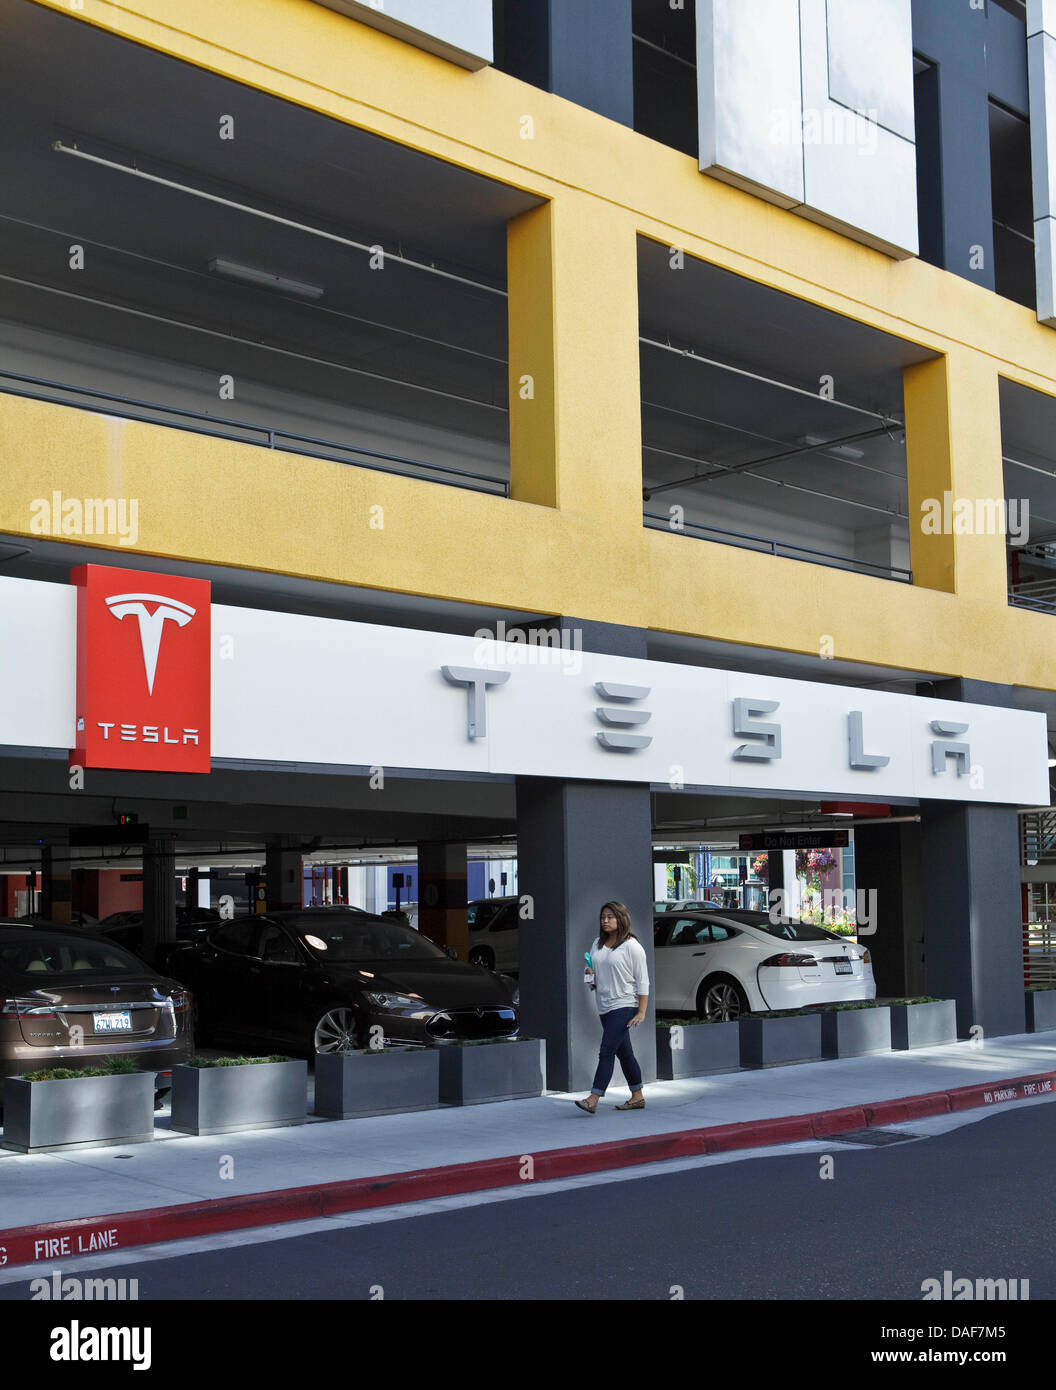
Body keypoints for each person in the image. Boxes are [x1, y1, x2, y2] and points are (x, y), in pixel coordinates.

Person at [575, 900, 650, 1113]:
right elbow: (593, 980)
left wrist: (641, 1011)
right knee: (624, 1053)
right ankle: (637, 1096)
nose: (605, 921)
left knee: (606, 1051)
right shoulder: (597, 943)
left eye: (610, 917)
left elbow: (643, 981)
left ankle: (594, 1097)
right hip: (604, 1006)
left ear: (621, 918)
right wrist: (589, 976)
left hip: (624, 1005)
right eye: (603, 917)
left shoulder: (632, 946)